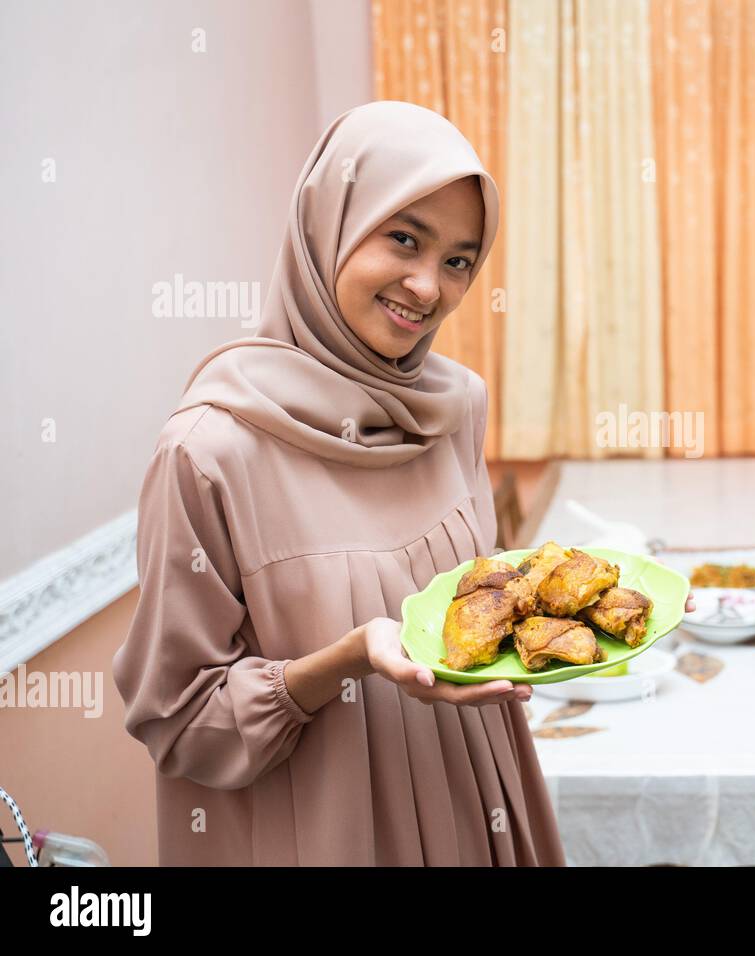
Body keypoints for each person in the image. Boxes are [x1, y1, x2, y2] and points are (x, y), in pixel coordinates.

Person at [113, 101, 555, 865]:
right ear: (330, 225)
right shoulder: (211, 451)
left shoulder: (456, 407)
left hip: (473, 806)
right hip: (324, 833)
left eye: (458, 260)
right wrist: (343, 661)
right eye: (403, 238)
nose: (427, 287)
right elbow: (179, 723)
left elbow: (469, 596)